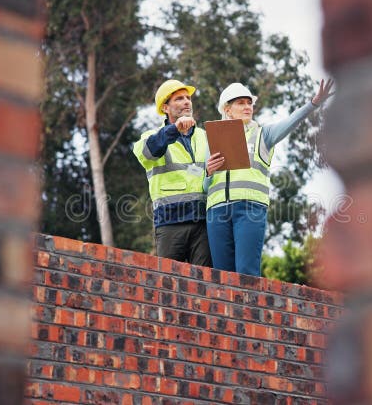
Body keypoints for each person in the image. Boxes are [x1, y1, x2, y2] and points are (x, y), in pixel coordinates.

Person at [204, 79, 334, 276]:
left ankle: (249, 308)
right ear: (227, 110)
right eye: (241, 103)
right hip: (216, 211)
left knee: (246, 273)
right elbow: (205, 186)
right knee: (221, 277)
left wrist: (313, 103)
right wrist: (207, 173)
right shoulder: (211, 139)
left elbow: (290, 121)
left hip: (250, 209)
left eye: (249, 103)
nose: (248, 107)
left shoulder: (264, 135)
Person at [132, 79, 212, 266]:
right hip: (170, 223)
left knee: (204, 284)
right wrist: (175, 129)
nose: (186, 102)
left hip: (203, 223)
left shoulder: (206, 137)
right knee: (169, 285)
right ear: (165, 107)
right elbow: (147, 152)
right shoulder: (152, 137)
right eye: (179, 99)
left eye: (188, 97)